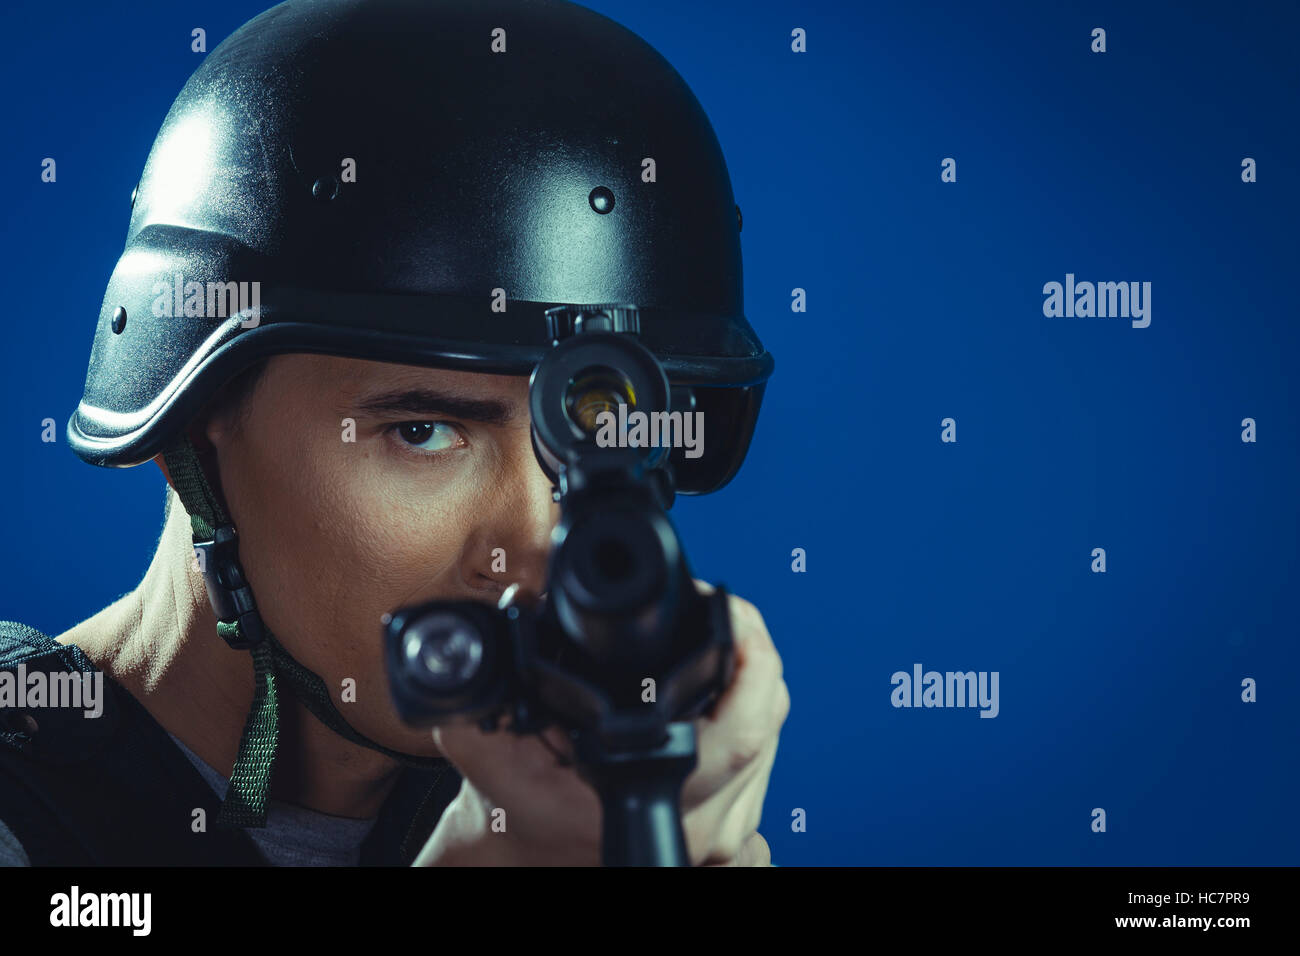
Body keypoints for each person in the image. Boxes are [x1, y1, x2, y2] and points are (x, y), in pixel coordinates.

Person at [0, 0, 786, 866]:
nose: (535, 556)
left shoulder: (557, 806)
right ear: (187, 416)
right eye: (423, 431)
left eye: (598, 441)